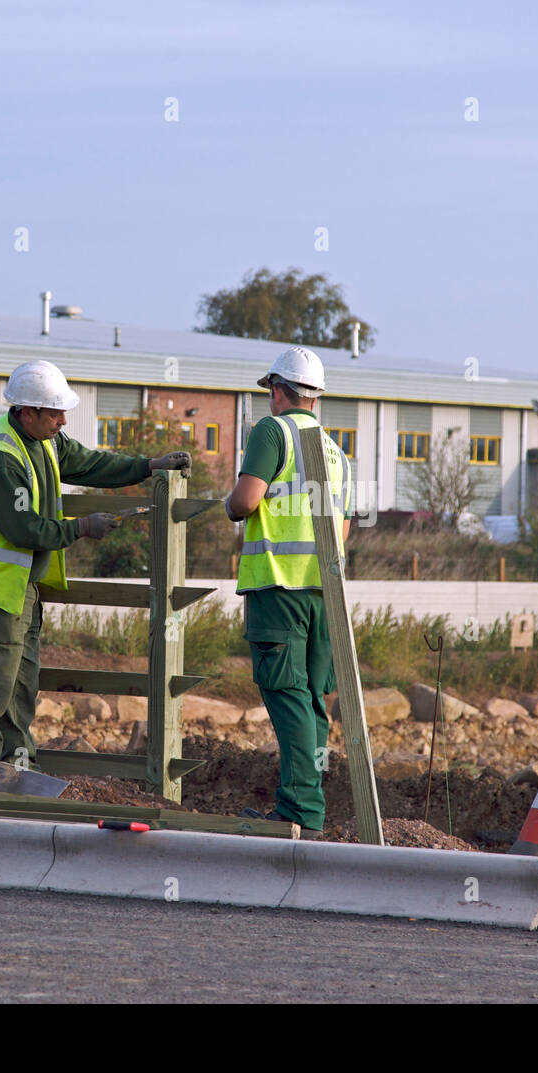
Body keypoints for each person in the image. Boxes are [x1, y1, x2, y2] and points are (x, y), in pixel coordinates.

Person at [0, 359, 192, 782]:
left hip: (19, 585)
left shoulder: (44, 441)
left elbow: (92, 464)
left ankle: (17, 768)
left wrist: (148, 465)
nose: (63, 422)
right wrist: (82, 527)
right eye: (55, 413)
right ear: (27, 412)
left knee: (21, 686)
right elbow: (22, 528)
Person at [225, 347, 352, 838]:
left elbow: (244, 502)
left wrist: (229, 503)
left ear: (277, 391)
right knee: (315, 700)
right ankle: (306, 805)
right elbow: (343, 527)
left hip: (278, 587)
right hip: (325, 594)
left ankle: (300, 810)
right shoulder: (335, 449)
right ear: (315, 397)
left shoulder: (270, 432)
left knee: (289, 695)